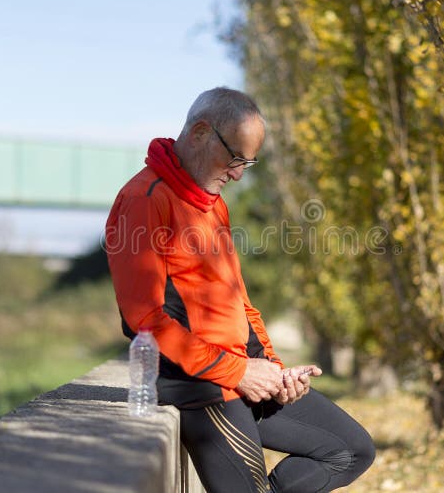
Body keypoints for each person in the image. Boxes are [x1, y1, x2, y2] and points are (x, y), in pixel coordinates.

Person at [105, 87, 374, 492]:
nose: (238, 174)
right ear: (199, 133)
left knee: (352, 450)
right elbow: (144, 319)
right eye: (235, 158)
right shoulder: (143, 200)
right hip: (201, 386)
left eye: (249, 162)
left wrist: (272, 368)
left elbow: (239, 300)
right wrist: (238, 372)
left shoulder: (213, 203)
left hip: (243, 370)